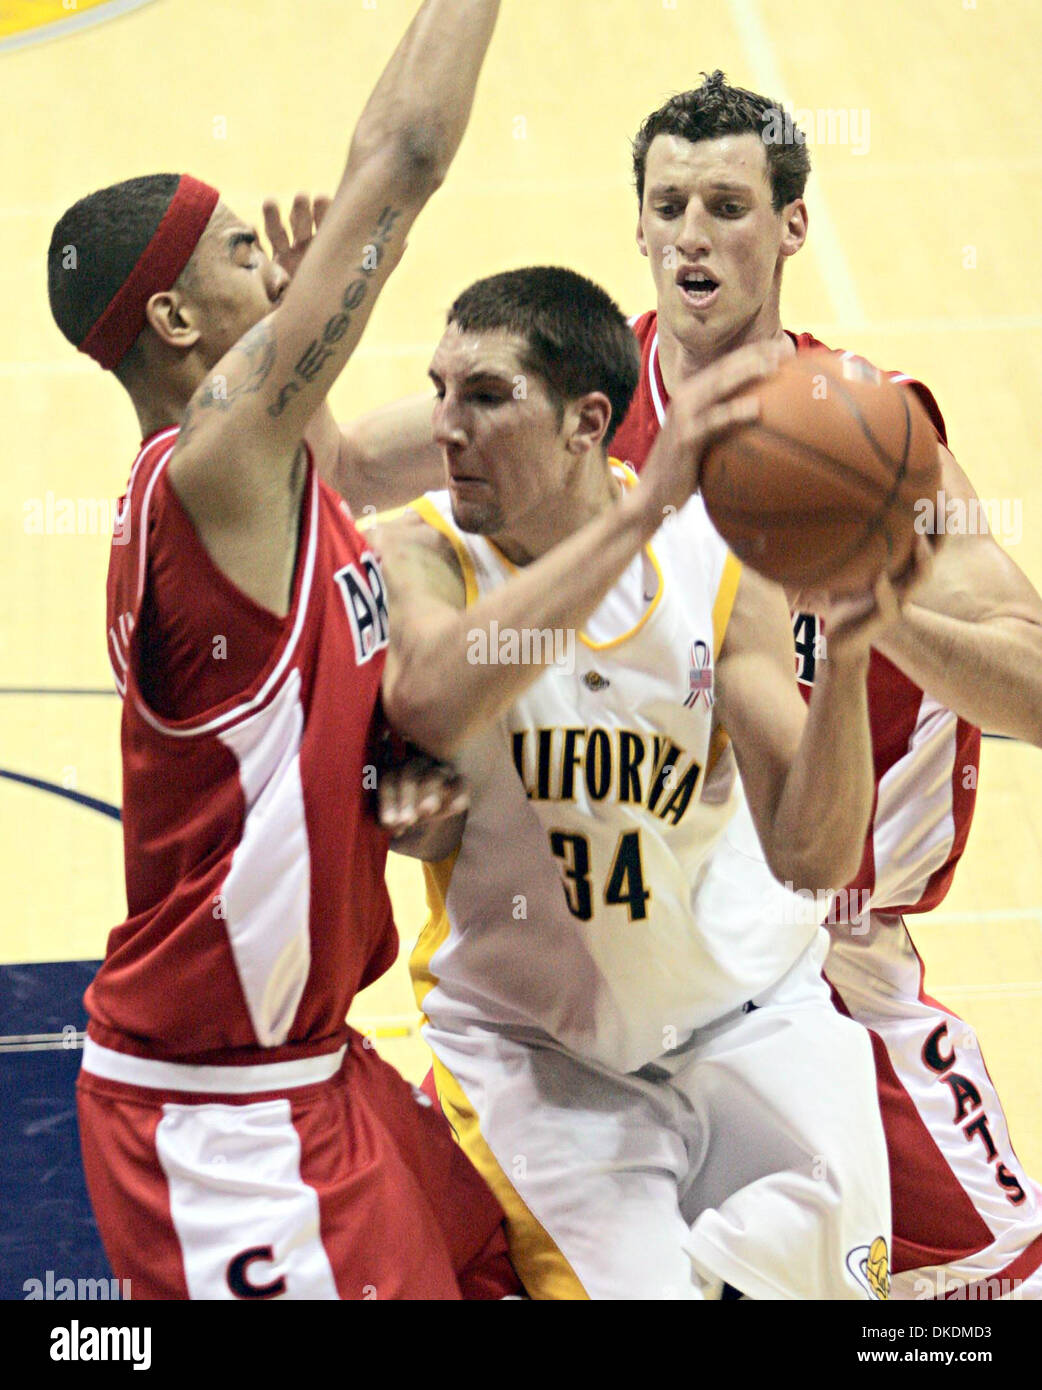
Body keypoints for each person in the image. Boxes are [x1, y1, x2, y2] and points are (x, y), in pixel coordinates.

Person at [45, 0, 530, 1302]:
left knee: (504, 1269)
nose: (276, 259)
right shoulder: (215, 469)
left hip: (319, 1063)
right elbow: (404, 158)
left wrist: (390, 794)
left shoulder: (287, 477)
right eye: (239, 251)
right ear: (178, 323)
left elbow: (297, 756)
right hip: (222, 1124)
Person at [365, 263, 926, 1299]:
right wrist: (639, 510)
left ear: (587, 422)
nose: (446, 426)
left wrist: (848, 660)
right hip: (540, 1049)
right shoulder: (418, 552)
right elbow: (432, 702)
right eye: (439, 389)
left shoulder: (717, 563)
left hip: (749, 1009)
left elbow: (812, 856)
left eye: (485, 397)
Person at [607, 72, 1042, 1301]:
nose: (694, 235)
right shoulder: (577, 421)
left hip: (830, 970)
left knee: (988, 1288)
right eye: (671, 204)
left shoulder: (873, 439)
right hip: (620, 971)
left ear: (792, 226)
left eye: (729, 206)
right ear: (638, 225)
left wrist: (883, 604)